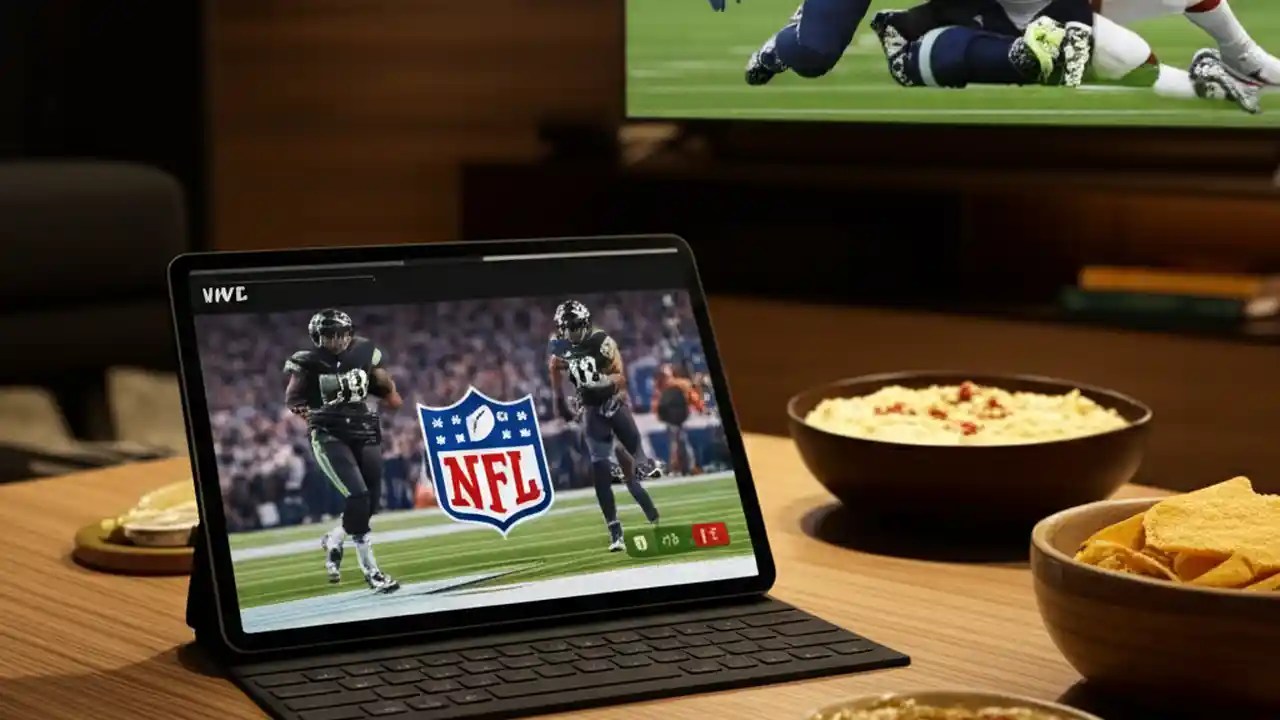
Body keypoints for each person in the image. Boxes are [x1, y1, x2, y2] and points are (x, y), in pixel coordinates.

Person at [871, 1, 1260, 112]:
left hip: (1058, 17)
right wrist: (904, 23)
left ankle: (1202, 80)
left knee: (1129, 59)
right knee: (914, 62)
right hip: (1014, 22)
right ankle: (1200, 80)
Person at [284, 308, 402, 594]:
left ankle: (336, 537)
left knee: (371, 503)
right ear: (317, 337)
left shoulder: (364, 351)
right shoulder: (307, 362)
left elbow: (381, 379)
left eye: (340, 334)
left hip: (364, 429)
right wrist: (318, 416)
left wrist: (389, 393)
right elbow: (293, 399)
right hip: (331, 434)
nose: (336, 340)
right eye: (329, 335)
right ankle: (372, 572)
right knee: (359, 496)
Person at [548, 300, 663, 552]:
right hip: (591, 412)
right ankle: (615, 531)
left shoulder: (602, 342)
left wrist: (605, 388)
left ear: (586, 324)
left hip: (613, 403)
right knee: (599, 470)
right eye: (567, 327)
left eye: (576, 326)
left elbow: (620, 379)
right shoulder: (560, 347)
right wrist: (561, 401)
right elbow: (555, 367)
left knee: (630, 466)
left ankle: (651, 512)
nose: (572, 332)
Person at [651, 364, 705, 477]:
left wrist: (700, 408)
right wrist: (661, 416)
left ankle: (688, 467)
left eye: (665, 374)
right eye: (662, 375)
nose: (664, 378)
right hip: (670, 420)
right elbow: (657, 406)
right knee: (675, 442)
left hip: (683, 418)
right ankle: (677, 467)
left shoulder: (681, 384)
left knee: (681, 441)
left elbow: (693, 398)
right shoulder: (660, 388)